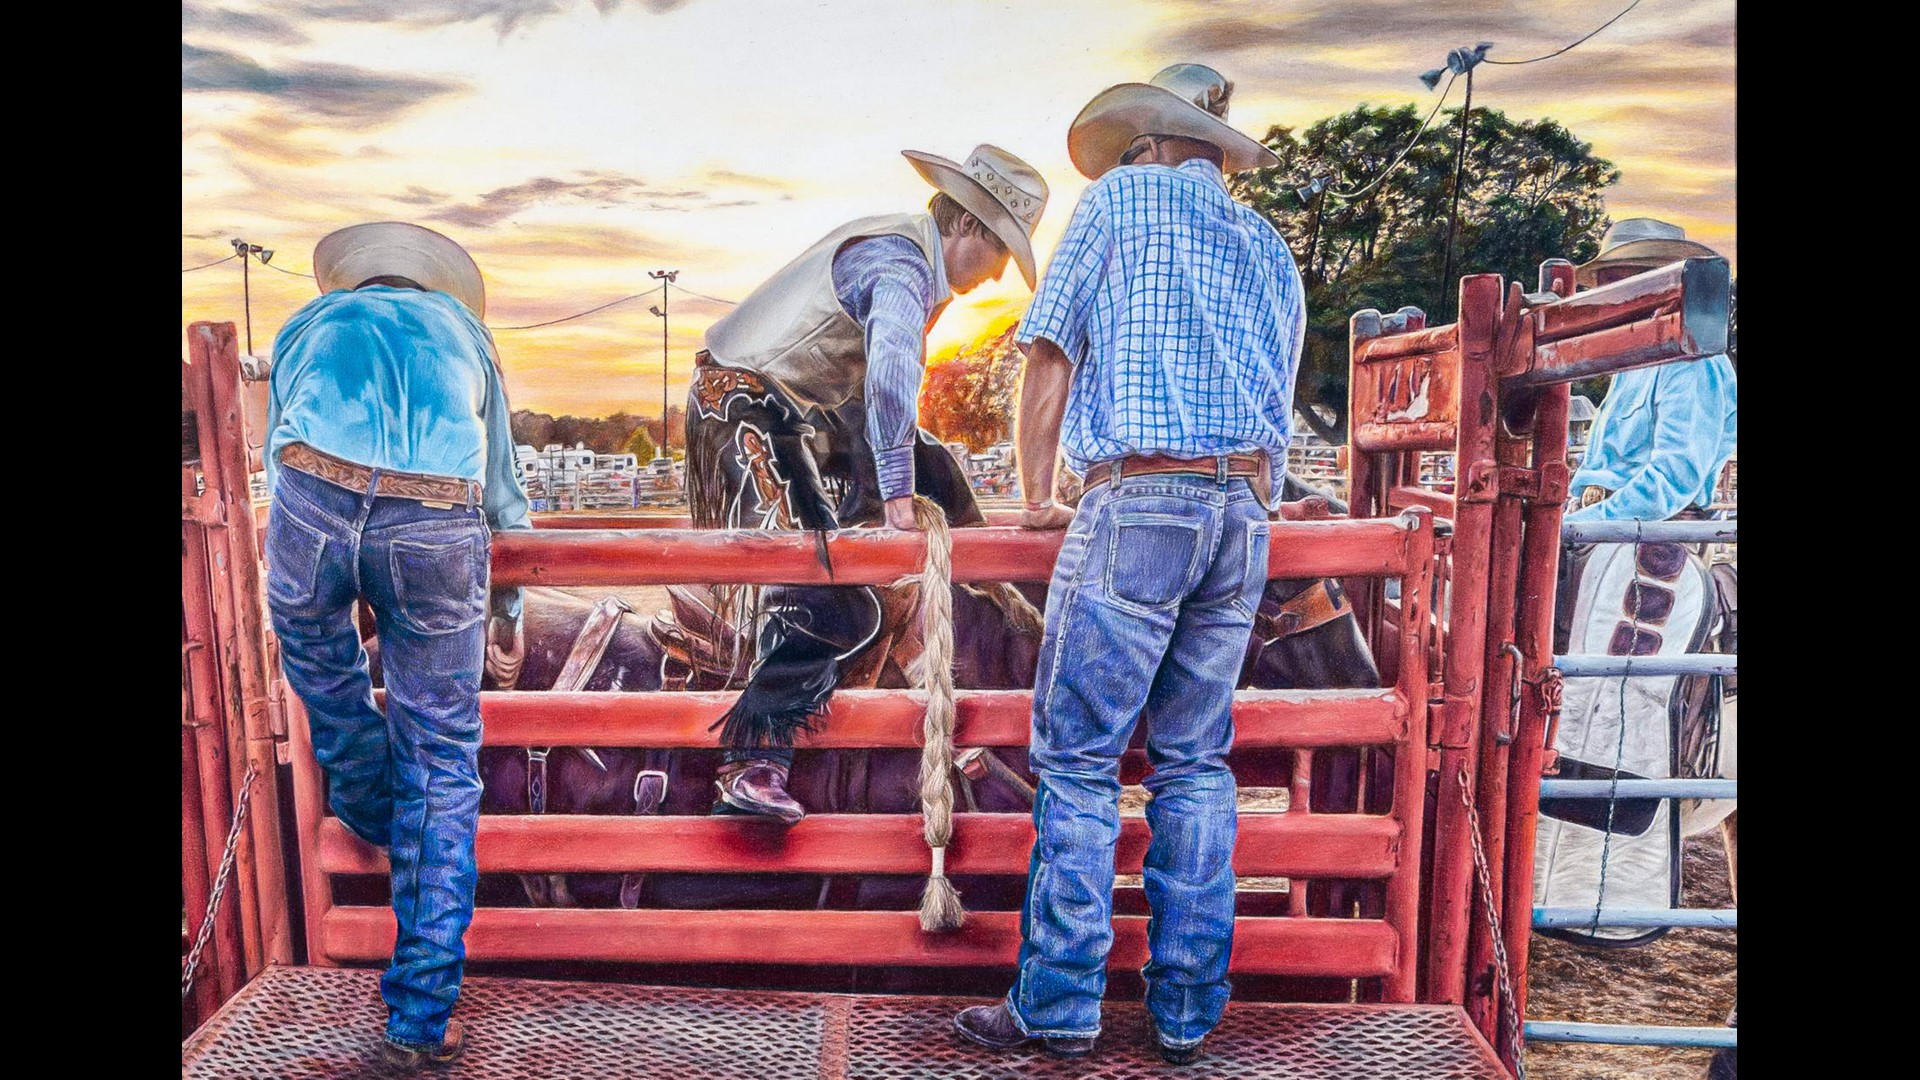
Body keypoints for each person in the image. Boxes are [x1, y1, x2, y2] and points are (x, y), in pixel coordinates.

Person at [951, 64, 1300, 1066]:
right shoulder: (1265, 241)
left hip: (1139, 496)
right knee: (1196, 761)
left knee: (1079, 760)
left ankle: (1060, 1002)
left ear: (1144, 141)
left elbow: (1051, 348)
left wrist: (1039, 491)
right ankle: (1188, 1009)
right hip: (1241, 508)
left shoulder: (1119, 201)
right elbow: (1278, 401)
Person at [684, 144, 1048, 823]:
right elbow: (887, 381)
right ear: (967, 226)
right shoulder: (901, 268)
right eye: (999, 252)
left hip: (799, 407)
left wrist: (916, 478)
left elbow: (879, 396)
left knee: (933, 458)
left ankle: (1003, 589)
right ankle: (753, 756)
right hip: (746, 409)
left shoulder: (901, 257)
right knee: (838, 581)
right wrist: (900, 503)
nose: (998, 275)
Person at [262, 221, 529, 1070]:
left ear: (358, 279)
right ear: (436, 288)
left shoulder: (313, 323)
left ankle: (361, 773)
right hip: (435, 519)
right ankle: (420, 1016)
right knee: (444, 759)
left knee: (307, 631)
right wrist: (509, 611)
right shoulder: (468, 337)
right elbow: (504, 492)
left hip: (311, 492)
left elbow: (278, 446)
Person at [1565, 218, 1737, 523]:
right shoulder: (1635, 360)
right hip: (1600, 523)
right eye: (1607, 288)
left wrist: (1579, 525)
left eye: (1624, 286)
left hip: (1646, 531)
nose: (1611, 300)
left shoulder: (1694, 362)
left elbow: (1672, 480)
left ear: (1667, 287)